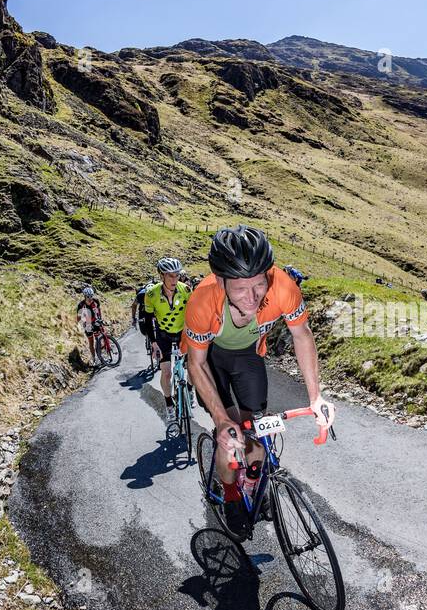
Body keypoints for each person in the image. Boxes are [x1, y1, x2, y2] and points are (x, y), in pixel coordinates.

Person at [183, 225, 334, 534]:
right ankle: (231, 496)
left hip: (247, 356)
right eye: (240, 289)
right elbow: (195, 364)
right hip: (211, 359)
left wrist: (315, 397)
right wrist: (222, 420)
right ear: (221, 282)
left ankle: (252, 482)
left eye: (259, 285)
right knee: (231, 433)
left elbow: (302, 335)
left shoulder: (283, 287)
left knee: (256, 437)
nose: (252, 297)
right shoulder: (202, 300)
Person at [140, 258, 192, 426]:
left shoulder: (186, 290)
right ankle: (169, 403)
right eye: (170, 276)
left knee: (194, 366)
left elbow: (195, 313)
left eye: (177, 276)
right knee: (167, 372)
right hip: (163, 336)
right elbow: (148, 320)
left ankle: (189, 390)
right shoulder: (152, 294)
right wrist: (153, 342)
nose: (174, 280)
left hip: (183, 334)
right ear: (162, 276)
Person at [76, 286, 103, 363]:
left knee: (98, 340)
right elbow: (78, 319)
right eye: (88, 297)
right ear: (85, 296)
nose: (90, 298)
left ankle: (100, 356)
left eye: (91, 296)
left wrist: (100, 318)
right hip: (87, 324)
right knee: (91, 342)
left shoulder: (96, 301)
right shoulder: (81, 305)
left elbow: (99, 310)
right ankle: (94, 358)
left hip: (95, 321)